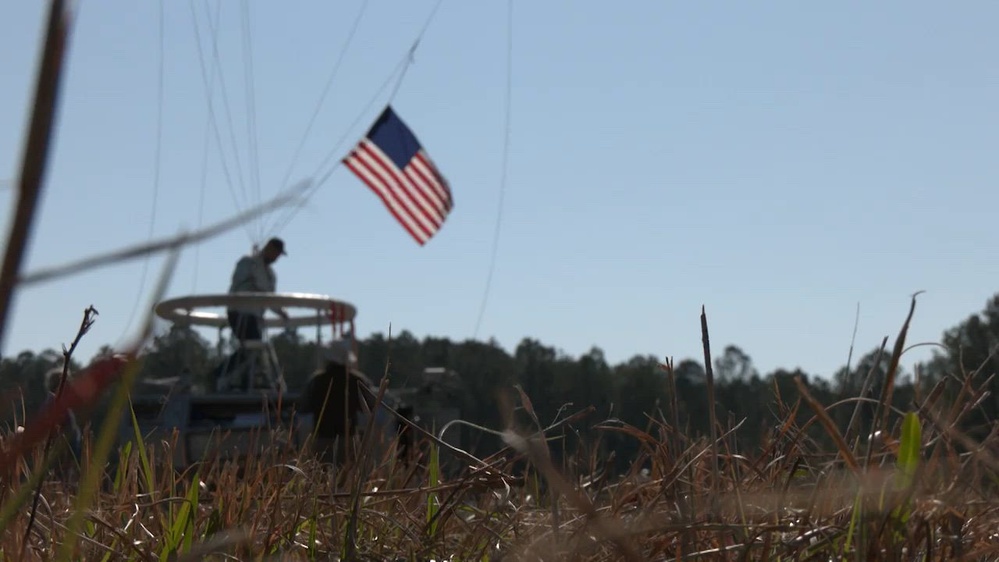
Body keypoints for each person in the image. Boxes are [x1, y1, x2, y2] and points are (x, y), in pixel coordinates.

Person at [226, 237, 290, 341]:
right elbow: (238, 282)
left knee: (253, 348)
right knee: (252, 345)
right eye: (275, 253)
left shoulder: (271, 275)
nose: (276, 258)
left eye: (278, 255)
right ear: (269, 248)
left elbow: (270, 298)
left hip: (255, 315)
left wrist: (281, 312)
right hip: (239, 312)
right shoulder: (247, 262)